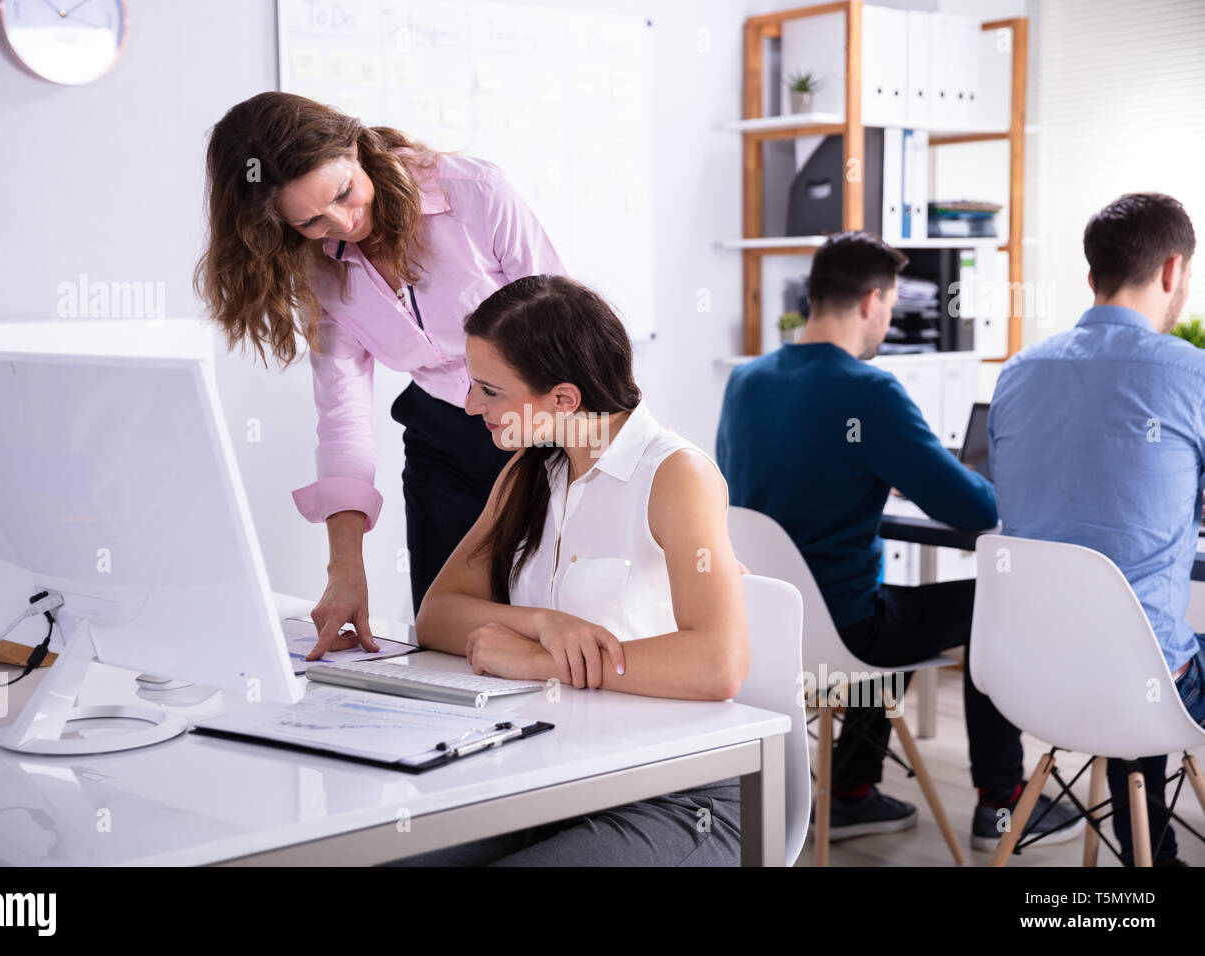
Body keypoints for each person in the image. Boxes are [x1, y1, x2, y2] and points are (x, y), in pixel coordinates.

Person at [716, 231, 1082, 850]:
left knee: (896, 601)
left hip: (768, 625)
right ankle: (1001, 802)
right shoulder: (869, 391)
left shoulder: (747, 381)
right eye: (891, 305)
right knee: (989, 599)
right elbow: (969, 506)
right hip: (847, 631)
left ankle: (853, 792)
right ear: (873, 302)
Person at [385, 274, 751, 866]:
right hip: (548, 775)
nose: (471, 405)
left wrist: (540, 661)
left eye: (489, 390)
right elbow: (438, 615)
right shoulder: (531, 473)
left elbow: (718, 664)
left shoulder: (675, 476)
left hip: (675, 793)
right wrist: (545, 623)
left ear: (563, 399)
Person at [194, 92, 566, 655]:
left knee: (557, 629)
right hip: (442, 437)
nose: (341, 223)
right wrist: (345, 569)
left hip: (542, 431)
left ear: (355, 147)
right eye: (311, 221)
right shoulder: (318, 270)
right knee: (448, 635)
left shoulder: (474, 193)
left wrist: (625, 478)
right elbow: (342, 416)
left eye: (343, 193)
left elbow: (569, 331)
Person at [989, 191, 1204, 866]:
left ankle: (1151, 845)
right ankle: (1151, 845)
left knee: (1137, 635)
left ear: (1092, 278)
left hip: (1030, 679)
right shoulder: (1190, 374)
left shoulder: (1017, 373)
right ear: (1173, 271)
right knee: (1155, 642)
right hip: (1141, 685)